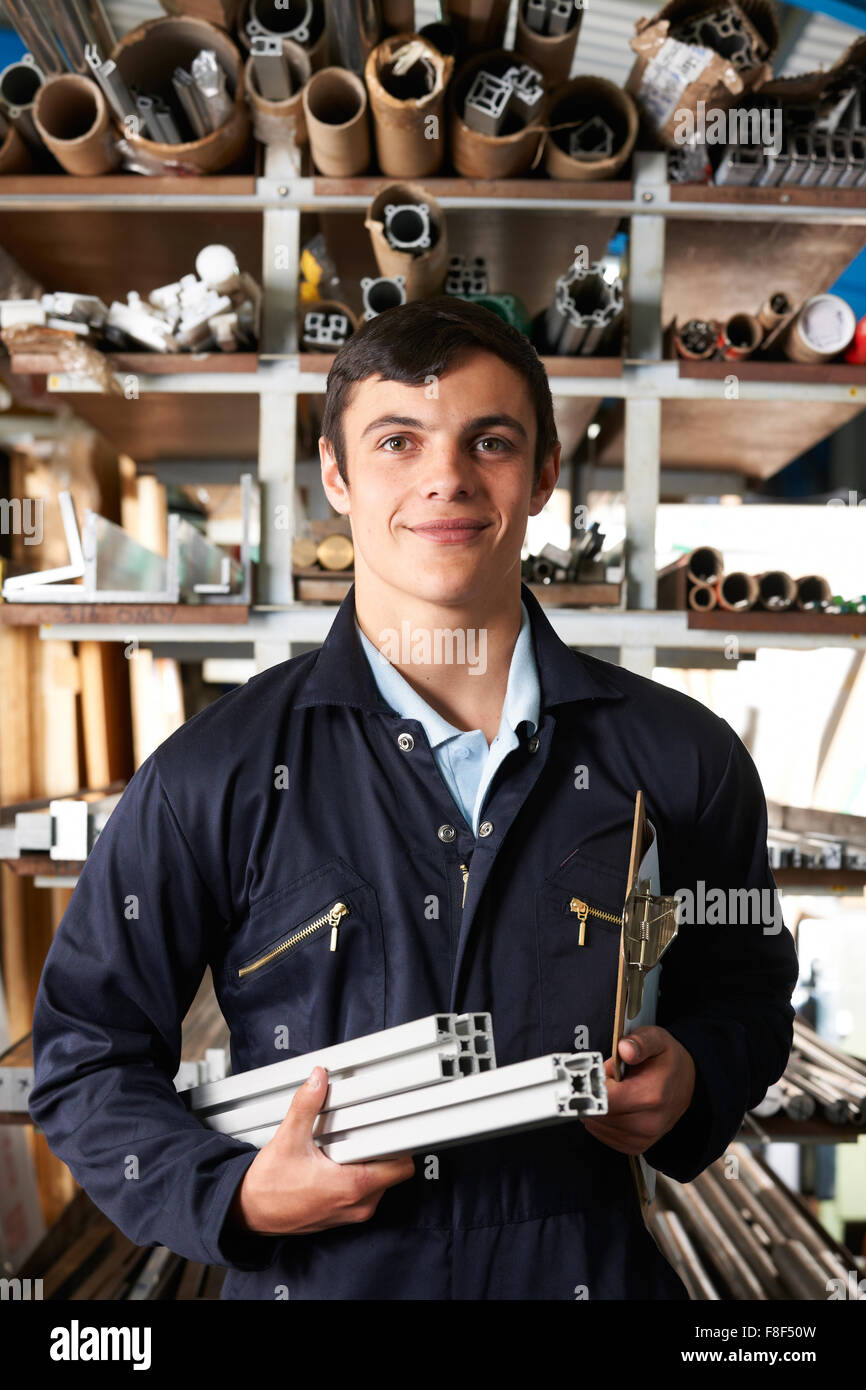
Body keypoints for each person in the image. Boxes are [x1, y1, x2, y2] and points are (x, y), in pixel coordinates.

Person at [29, 297, 799, 1300]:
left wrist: (694, 1072)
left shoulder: (680, 758)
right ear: (335, 476)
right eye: (398, 441)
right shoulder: (211, 773)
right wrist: (240, 1195)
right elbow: (86, 1053)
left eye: (489, 440)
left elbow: (743, 991)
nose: (445, 477)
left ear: (542, 477)